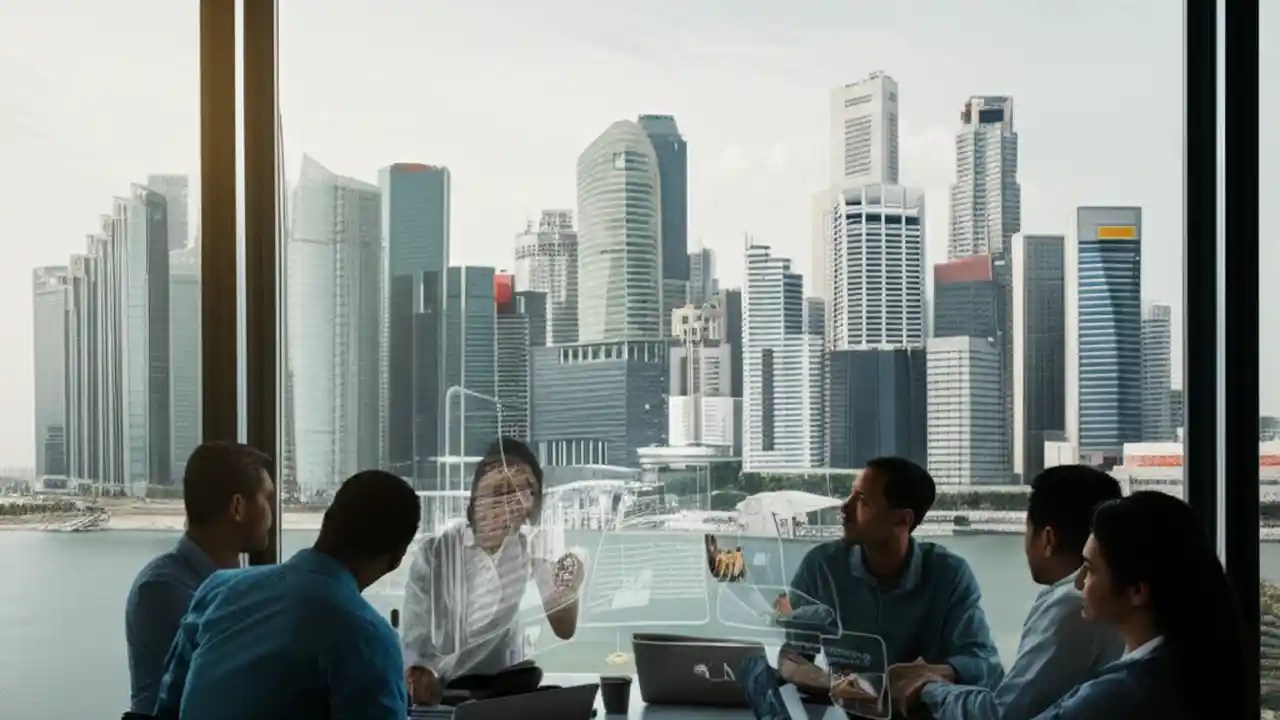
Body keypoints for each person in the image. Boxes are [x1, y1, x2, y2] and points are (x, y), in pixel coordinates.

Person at [152, 470, 420, 720]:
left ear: (327, 520)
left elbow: (166, 708)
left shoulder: (218, 589)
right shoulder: (368, 637)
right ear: (397, 559)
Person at [899, 465, 1124, 719]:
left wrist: (929, 688)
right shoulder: (1115, 601)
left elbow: (1003, 714)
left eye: (1028, 530)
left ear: (1048, 539)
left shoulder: (1072, 606)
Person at [777, 457, 1003, 703]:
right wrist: (835, 684)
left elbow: (983, 664)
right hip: (848, 712)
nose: (845, 507)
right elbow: (793, 658)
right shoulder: (821, 566)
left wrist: (932, 673)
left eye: (863, 500)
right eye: (851, 495)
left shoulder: (949, 574)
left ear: (902, 520)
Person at [1029, 491, 1246, 720]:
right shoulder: (1195, 673)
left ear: (1137, 590)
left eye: (1089, 568)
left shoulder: (1118, 696)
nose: (1078, 581)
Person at [402, 438, 583, 706]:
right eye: (501, 489)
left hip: (504, 690)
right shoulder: (438, 553)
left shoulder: (531, 549)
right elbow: (414, 639)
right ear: (478, 498)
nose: (511, 501)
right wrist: (423, 673)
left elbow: (564, 627)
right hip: (445, 692)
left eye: (525, 491)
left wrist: (567, 584)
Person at [124, 441, 274, 715]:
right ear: (238, 507)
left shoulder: (227, 583)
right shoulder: (163, 589)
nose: (271, 515)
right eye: (268, 499)